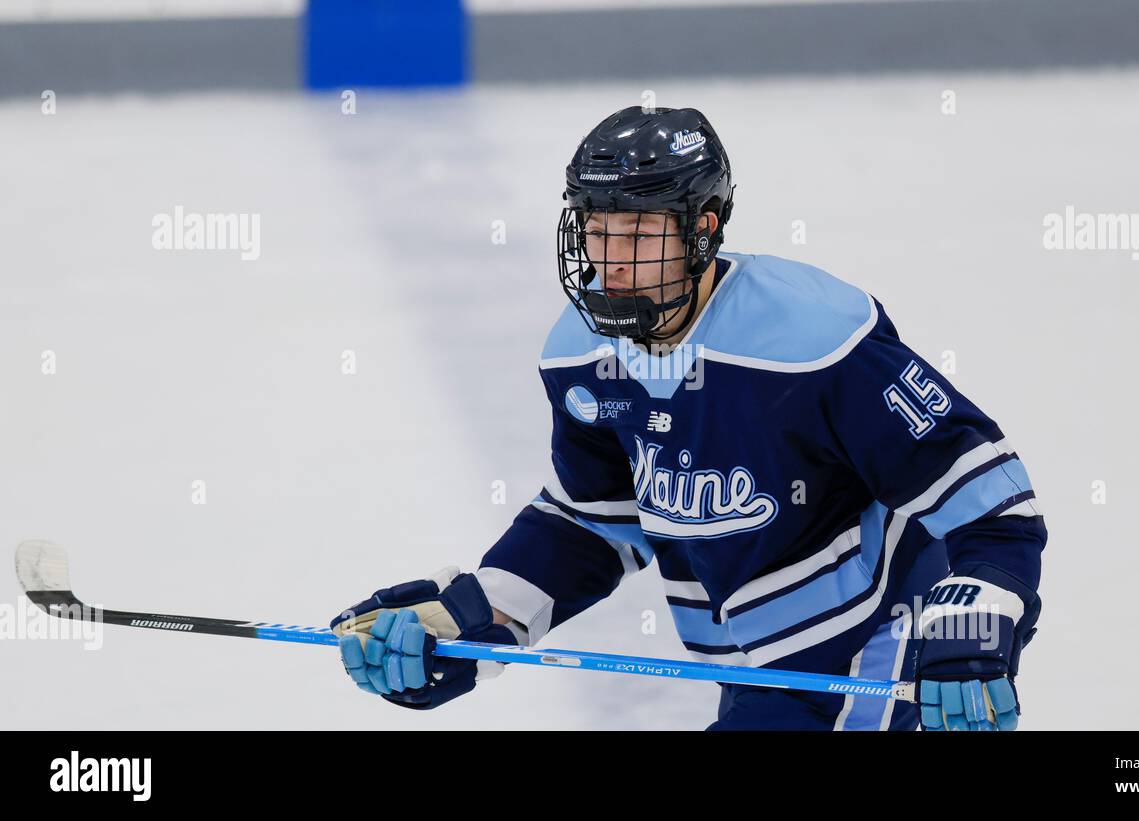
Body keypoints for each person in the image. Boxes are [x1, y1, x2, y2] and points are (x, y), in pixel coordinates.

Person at [330, 106, 1048, 731]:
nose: (611, 260)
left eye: (637, 235)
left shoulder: (812, 338)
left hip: (870, 652)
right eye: (597, 231)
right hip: (764, 677)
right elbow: (594, 520)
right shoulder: (582, 354)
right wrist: (476, 616)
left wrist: (975, 616)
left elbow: (989, 497)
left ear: (702, 229)